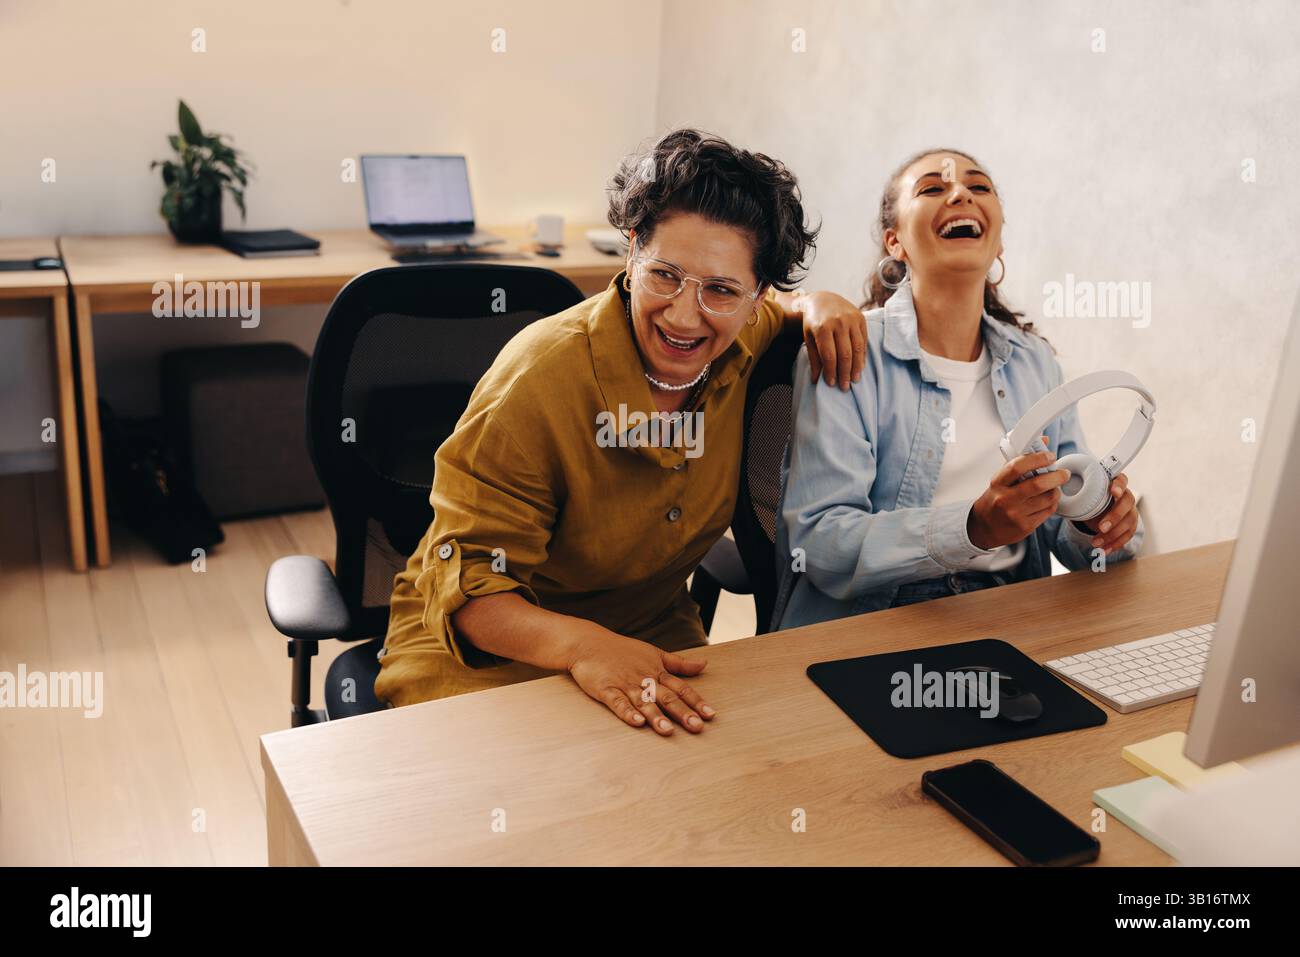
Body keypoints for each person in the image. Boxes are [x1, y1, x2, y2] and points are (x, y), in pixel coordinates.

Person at [376, 129, 867, 734]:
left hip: (646, 628)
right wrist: (583, 648)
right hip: (498, 641)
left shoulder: (746, 334)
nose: (685, 315)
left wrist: (820, 303)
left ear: (756, 294)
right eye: (665, 275)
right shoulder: (538, 377)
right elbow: (473, 590)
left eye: (720, 289)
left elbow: (783, 309)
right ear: (631, 252)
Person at [774, 148, 1143, 629]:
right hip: (875, 620)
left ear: (999, 240)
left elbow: (1068, 529)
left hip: (1008, 613)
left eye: (979, 187)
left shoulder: (1035, 362)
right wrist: (973, 528)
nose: (961, 194)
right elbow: (820, 543)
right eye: (932, 188)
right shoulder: (849, 350)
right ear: (895, 242)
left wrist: (1098, 523)